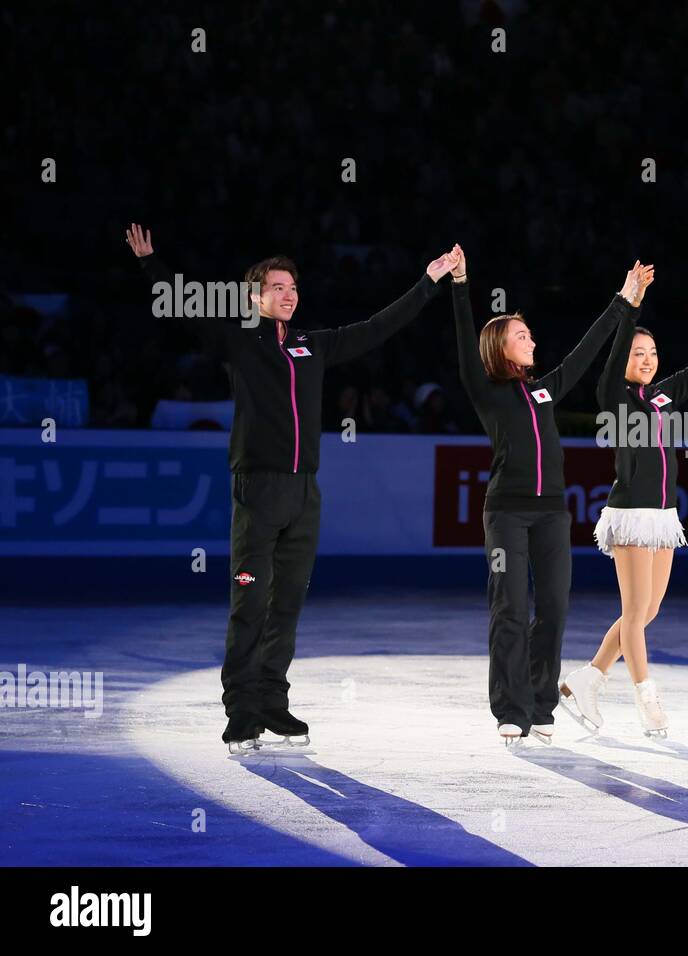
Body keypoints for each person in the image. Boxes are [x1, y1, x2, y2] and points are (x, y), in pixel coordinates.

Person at [124, 223, 454, 752]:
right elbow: (186, 308)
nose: (289, 295)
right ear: (256, 296)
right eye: (277, 287)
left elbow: (376, 327)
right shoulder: (240, 339)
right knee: (250, 602)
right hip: (258, 489)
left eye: (293, 288)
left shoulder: (311, 345)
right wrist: (151, 264)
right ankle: (242, 710)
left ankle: (273, 702)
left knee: (287, 607)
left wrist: (428, 282)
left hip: (305, 494)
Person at [448, 243, 650, 745]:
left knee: (554, 609)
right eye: (522, 336)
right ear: (499, 347)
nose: (532, 340)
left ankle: (541, 705)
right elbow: (460, 340)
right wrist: (458, 286)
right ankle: (509, 709)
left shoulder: (543, 391)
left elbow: (584, 351)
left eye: (531, 334)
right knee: (510, 609)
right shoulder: (486, 389)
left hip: (552, 516)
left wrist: (623, 302)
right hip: (506, 516)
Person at [561, 275, 688, 737]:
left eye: (652, 353)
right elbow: (612, 360)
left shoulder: (664, 396)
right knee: (635, 614)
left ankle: (589, 676)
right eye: (638, 354)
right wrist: (630, 306)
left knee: (647, 612)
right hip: (631, 512)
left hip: (664, 517)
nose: (648, 361)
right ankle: (645, 697)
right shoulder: (615, 396)